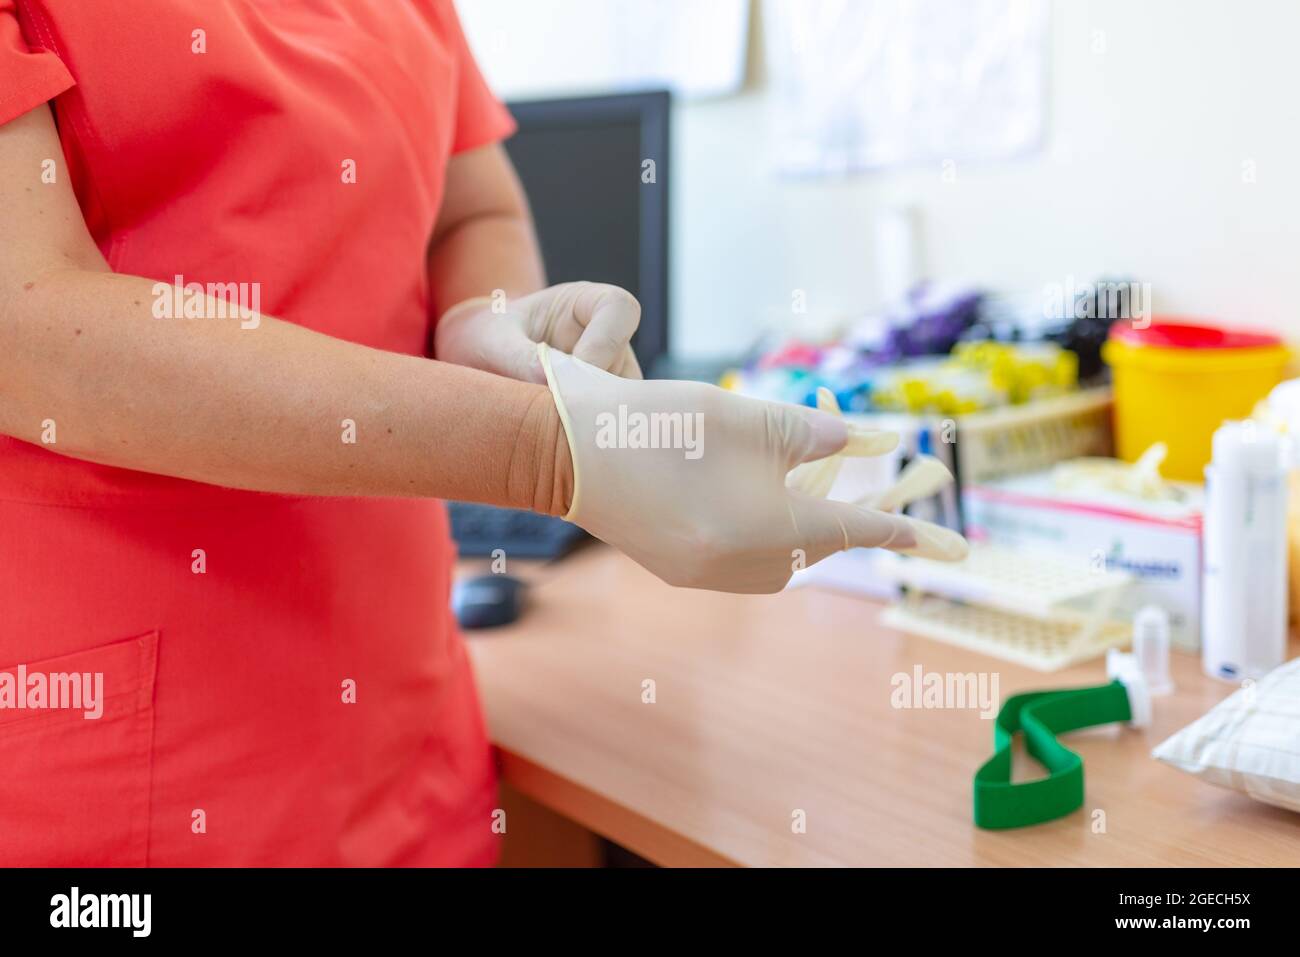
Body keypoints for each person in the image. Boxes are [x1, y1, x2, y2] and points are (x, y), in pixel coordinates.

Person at [0, 0, 956, 866]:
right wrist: (547, 452)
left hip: (403, 719)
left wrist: (488, 325)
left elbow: (475, 207)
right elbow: (28, 324)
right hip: (141, 775)